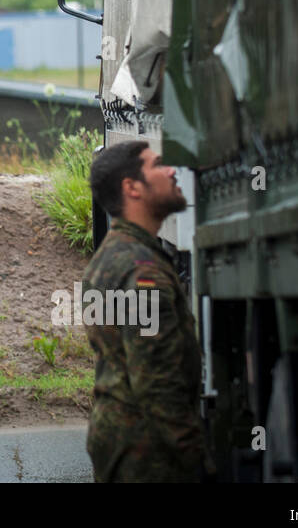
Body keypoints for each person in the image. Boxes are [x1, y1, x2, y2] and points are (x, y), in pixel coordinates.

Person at [83, 140, 212, 482]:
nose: (172, 171)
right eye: (158, 165)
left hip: (127, 440)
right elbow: (156, 381)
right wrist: (195, 457)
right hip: (148, 451)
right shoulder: (140, 271)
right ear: (132, 188)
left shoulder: (117, 255)